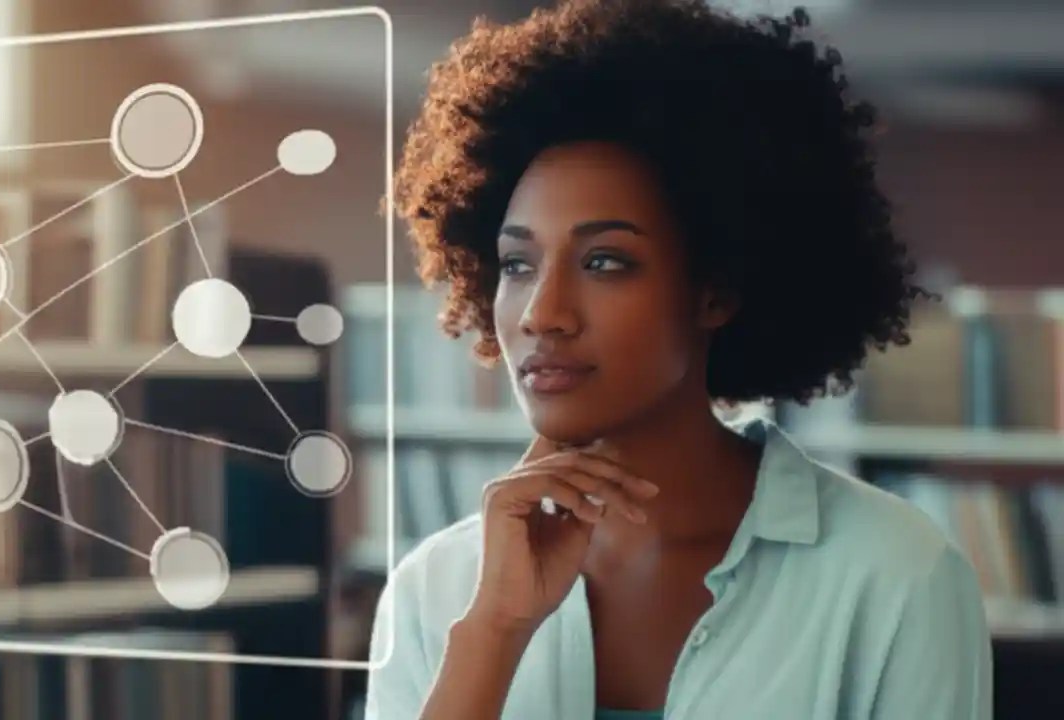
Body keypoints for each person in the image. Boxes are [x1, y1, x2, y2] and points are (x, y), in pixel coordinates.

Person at [364, 0, 993, 718]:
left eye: (605, 261)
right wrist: (494, 633)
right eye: (515, 264)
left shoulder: (896, 576)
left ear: (715, 290)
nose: (542, 312)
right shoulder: (438, 590)